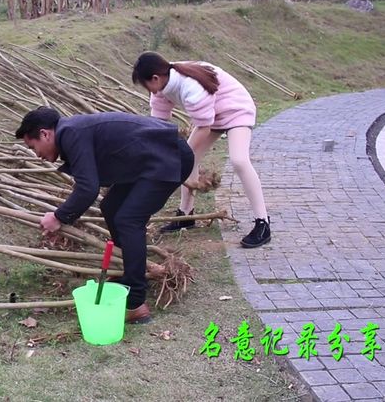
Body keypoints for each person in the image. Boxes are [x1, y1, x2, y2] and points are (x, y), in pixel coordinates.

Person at [15, 106, 194, 324]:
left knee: (128, 219)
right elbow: (89, 185)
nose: (37, 155)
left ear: (45, 134)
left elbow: (87, 188)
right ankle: (126, 269)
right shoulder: (72, 132)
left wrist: (58, 216)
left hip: (169, 156)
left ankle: (136, 303)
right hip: (152, 160)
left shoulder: (70, 133)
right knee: (111, 207)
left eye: (33, 147)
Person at [131, 51, 271, 248]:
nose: (150, 91)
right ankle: (186, 216)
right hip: (211, 115)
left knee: (238, 160)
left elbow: (204, 128)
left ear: (155, 77)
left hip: (236, 110)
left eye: (147, 86)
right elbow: (158, 125)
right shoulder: (162, 86)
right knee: (190, 159)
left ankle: (263, 223)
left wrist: (180, 153)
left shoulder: (191, 86)